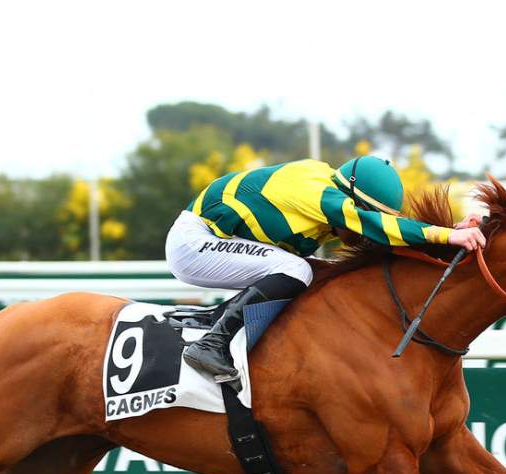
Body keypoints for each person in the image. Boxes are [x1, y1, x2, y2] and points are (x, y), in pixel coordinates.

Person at [165, 156, 486, 384]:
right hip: (195, 242)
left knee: (315, 271)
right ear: (353, 202)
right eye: (361, 218)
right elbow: (376, 226)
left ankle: (217, 321)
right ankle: (211, 345)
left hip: (217, 238)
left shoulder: (329, 187)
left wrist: (449, 235)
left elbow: (384, 233)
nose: (360, 237)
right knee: (296, 269)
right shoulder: (319, 195)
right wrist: (447, 235)